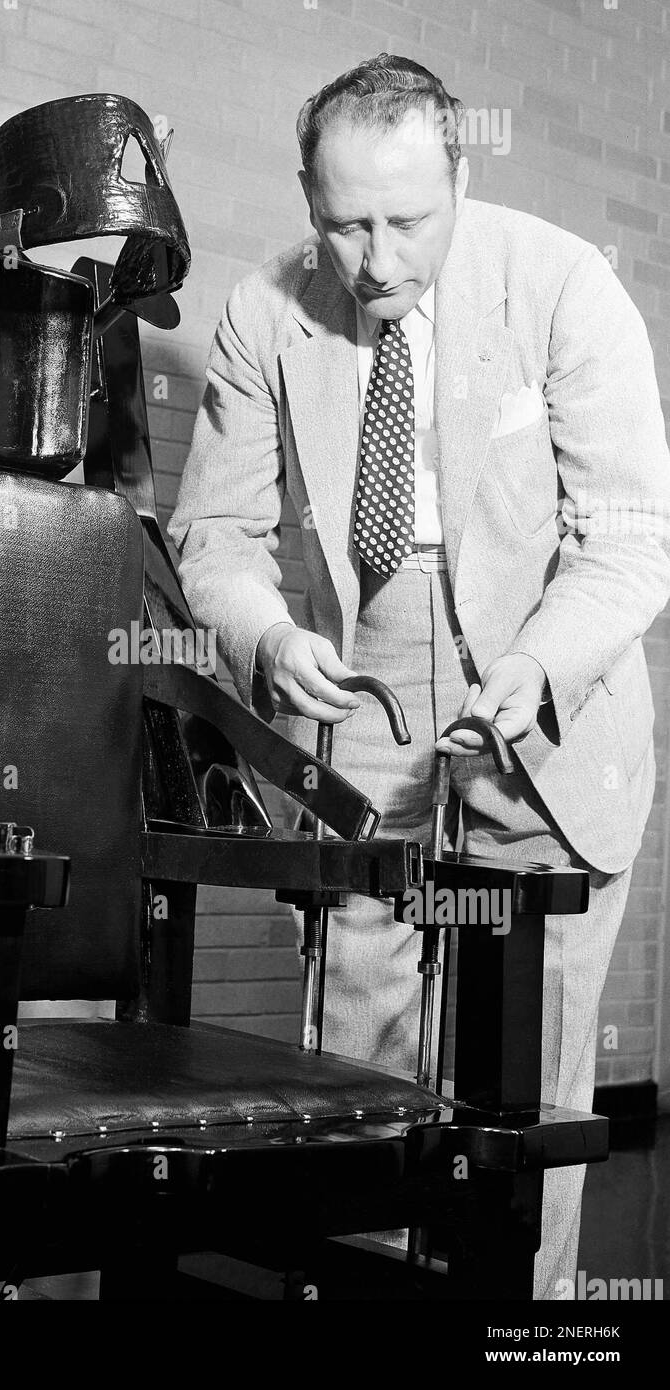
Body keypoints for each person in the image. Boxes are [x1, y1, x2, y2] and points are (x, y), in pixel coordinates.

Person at [167, 52, 670, 1300]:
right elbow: (213, 541)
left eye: (406, 220)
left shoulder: (561, 286)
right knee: (355, 1053)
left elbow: (627, 536)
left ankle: (524, 1321)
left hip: (543, 693)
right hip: (359, 685)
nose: (375, 258)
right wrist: (270, 642)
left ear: (461, 170)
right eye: (342, 224)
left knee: (530, 1076)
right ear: (306, 195)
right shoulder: (262, 312)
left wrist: (534, 668)